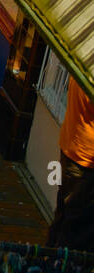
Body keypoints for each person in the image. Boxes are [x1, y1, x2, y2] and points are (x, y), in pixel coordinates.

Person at [47, 77, 94, 252]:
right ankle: (57, 270)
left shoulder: (84, 62)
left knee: (64, 216)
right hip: (86, 162)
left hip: (73, 149)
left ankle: (46, 262)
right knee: (76, 231)